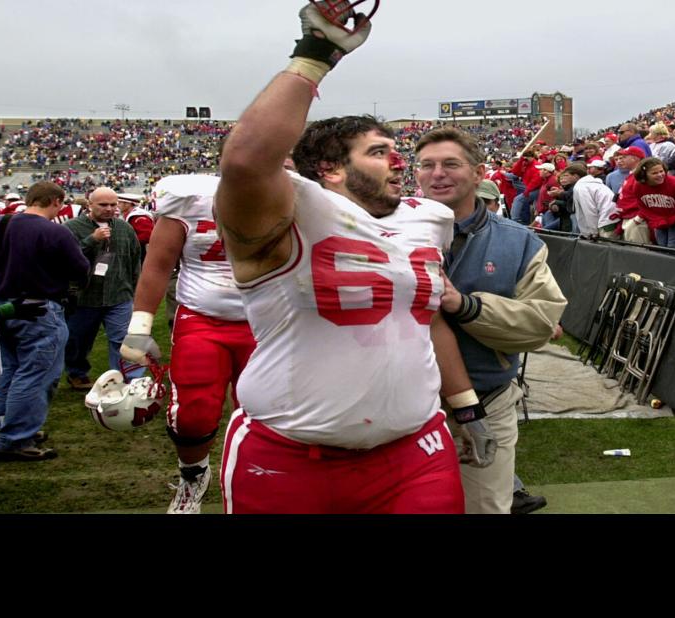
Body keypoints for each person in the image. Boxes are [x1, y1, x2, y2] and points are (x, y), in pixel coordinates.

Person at [210, 4, 493, 514]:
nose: (399, 160)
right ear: (331, 170)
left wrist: (465, 406)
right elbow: (246, 160)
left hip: (416, 450)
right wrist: (316, 55)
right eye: (379, 151)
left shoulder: (426, 219)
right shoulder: (293, 213)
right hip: (291, 458)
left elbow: (421, 322)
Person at [413, 126, 567, 515]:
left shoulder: (519, 241)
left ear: (479, 172)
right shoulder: (382, 230)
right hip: (400, 403)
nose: (437, 173)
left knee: (484, 508)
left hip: (487, 399)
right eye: (426, 165)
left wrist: (464, 306)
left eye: (451, 164)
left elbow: (540, 321)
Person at [112, 174, 250, 513]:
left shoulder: (295, 195)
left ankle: (256, 480)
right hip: (203, 317)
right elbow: (158, 264)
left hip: (271, 320)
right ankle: (193, 476)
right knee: (194, 412)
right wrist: (140, 327)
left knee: (265, 411)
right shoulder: (190, 199)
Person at [0, 180, 89, 462]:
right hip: (39, 307)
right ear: (57, 202)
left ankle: (11, 426)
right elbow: (80, 268)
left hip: (2, 306)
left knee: (11, 370)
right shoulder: (54, 231)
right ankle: (15, 437)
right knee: (36, 374)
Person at [63, 187, 145, 389]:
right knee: (78, 341)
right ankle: (76, 372)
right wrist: (92, 240)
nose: (109, 209)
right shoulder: (71, 228)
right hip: (84, 297)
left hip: (119, 295)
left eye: (113, 204)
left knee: (123, 339)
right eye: (103, 205)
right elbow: (65, 259)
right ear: (89, 205)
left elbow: (135, 259)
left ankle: (129, 380)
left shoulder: (124, 228)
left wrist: (135, 287)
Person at [618, 157, 675, 250]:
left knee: (673, 248)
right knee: (661, 247)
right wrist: (656, 219)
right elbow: (643, 205)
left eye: (661, 171)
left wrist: (668, 220)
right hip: (658, 218)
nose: (660, 175)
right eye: (654, 173)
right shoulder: (639, 186)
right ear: (645, 175)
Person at [572, 159, 620, 236]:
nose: (562, 179)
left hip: (607, 222)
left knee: (607, 246)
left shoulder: (581, 187)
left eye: (566, 175)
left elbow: (589, 210)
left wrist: (593, 232)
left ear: (575, 176)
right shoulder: (589, 184)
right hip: (610, 219)